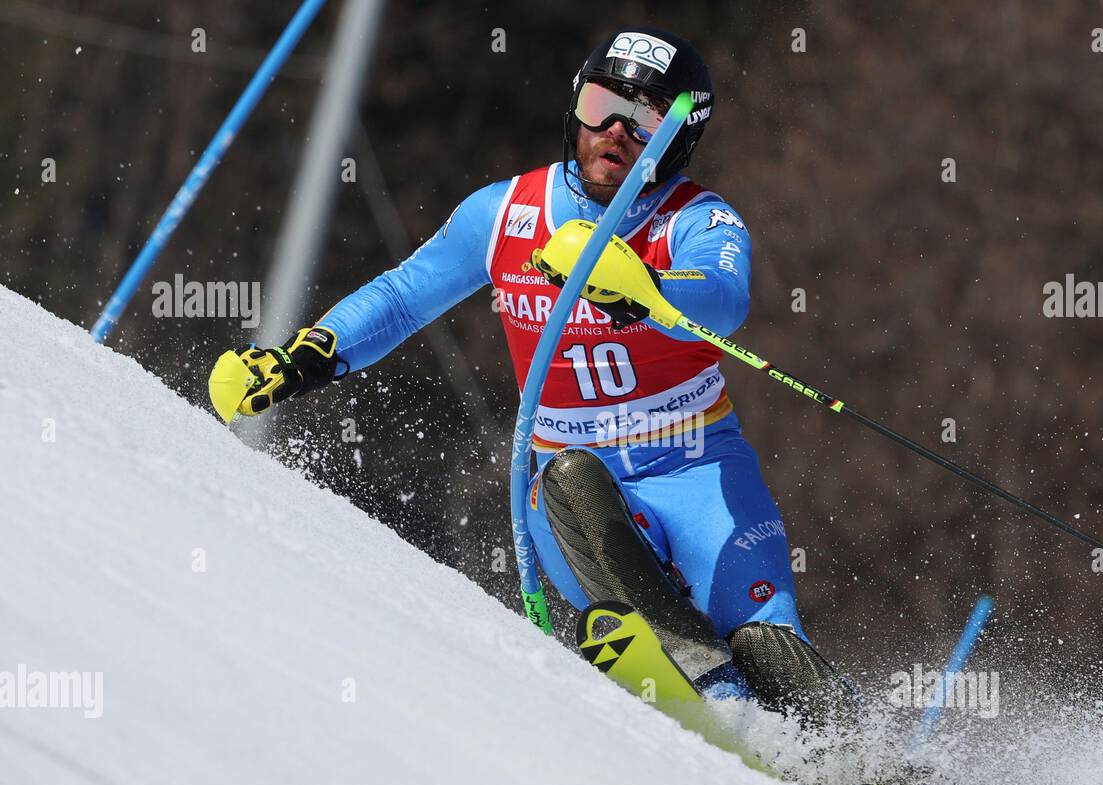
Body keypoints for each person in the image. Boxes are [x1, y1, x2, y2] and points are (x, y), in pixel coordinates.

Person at [211, 27, 851, 711]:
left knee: (766, 642)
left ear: (681, 137)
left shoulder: (698, 220)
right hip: (580, 493)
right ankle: (713, 693)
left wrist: (644, 287)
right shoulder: (506, 213)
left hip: (697, 469)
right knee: (570, 476)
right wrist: (309, 355)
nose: (614, 131)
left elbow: (723, 302)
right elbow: (403, 296)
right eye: (602, 103)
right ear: (575, 103)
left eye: (647, 120)